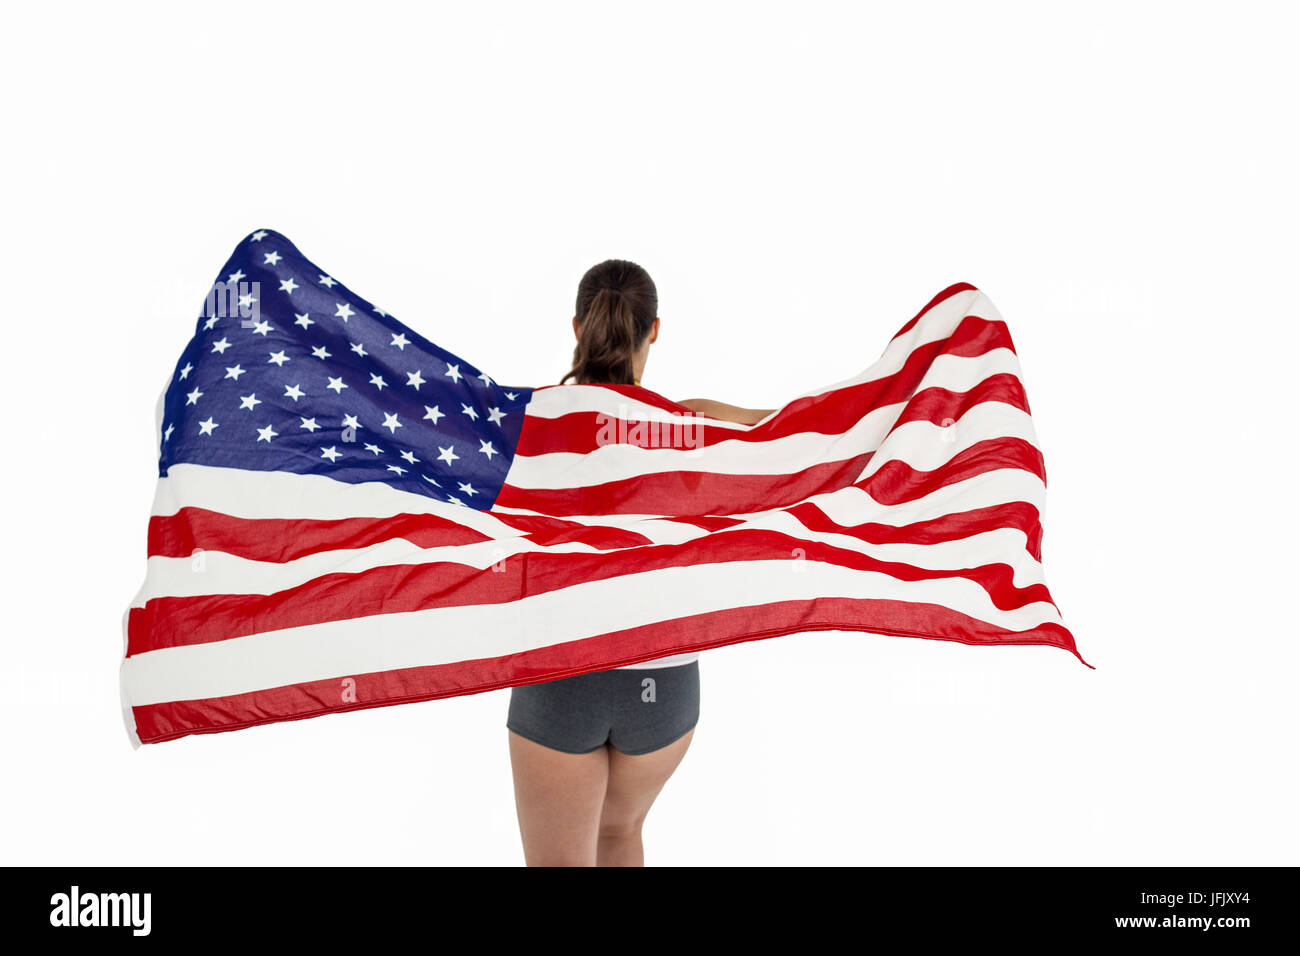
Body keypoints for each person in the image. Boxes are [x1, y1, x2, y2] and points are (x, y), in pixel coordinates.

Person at [506, 258, 774, 866]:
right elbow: (805, 433)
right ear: (654, 331)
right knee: (619, 833)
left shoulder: (528, 427)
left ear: (578, 328)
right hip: (665, 687)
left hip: (562, 677)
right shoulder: (696, 425)